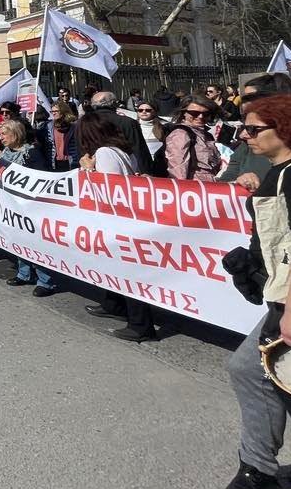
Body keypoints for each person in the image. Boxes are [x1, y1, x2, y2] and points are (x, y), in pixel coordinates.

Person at [224, 94, 291, 489]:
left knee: (255, 370)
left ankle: (258, 473)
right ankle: (258, 470)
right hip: (279, 296)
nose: (244, 135)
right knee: (252, 370)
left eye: (253, 129)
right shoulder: (276, 170)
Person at [77, 112, 156, 342]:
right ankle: (115, 304)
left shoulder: (104, 153)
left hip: (118, 221)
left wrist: (89, 170)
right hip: (125, 219)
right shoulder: (123, 150)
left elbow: (109, 191)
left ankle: (141, 325)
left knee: (129, 271)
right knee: (114, 266)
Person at [0, 120, 55, 295]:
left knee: (36, 245)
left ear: (16, 134)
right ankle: (24, 274)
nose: (1, 137)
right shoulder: (5, 153)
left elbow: (42, 179)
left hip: (31, 207)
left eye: (4, 134)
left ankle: (45, 281)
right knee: (18, 240)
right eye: (0, 134)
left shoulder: (32, 153)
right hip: (12, 206)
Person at [219, 73, 291, 190]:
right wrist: (238, 185)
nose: (243, 135)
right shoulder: (248, 146)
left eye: (252, 97)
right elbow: (226, 180)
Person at [165, 95, 221, 182]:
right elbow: (177, 170)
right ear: (184, 113)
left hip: (212, 186)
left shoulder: (207, 135)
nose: (200, 117)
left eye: (206, 113)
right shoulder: (181, 134)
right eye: (194, 113)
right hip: (193, 188)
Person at [44, 101, 78, 171]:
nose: (53, 113)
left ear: (63, 111)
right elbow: (50, 146)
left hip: (72, 161)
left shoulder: (74, 126)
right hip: (56, 162)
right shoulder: (50, 126)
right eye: (52, 111)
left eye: (56, 111)